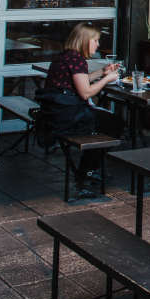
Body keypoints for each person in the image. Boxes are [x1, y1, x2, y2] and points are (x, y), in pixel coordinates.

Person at [36, 23, 123, 198]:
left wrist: (102, 72)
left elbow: (79, 79)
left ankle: (91, 169)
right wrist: (108, 79)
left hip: (54, 114)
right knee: (114, 125)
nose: (98, 45)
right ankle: (86, 172)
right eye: (95, 40)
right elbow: (85, 92)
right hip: (67, 118)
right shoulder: (77, 60)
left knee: (107, 123)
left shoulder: (66, 57)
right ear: (85, 41)